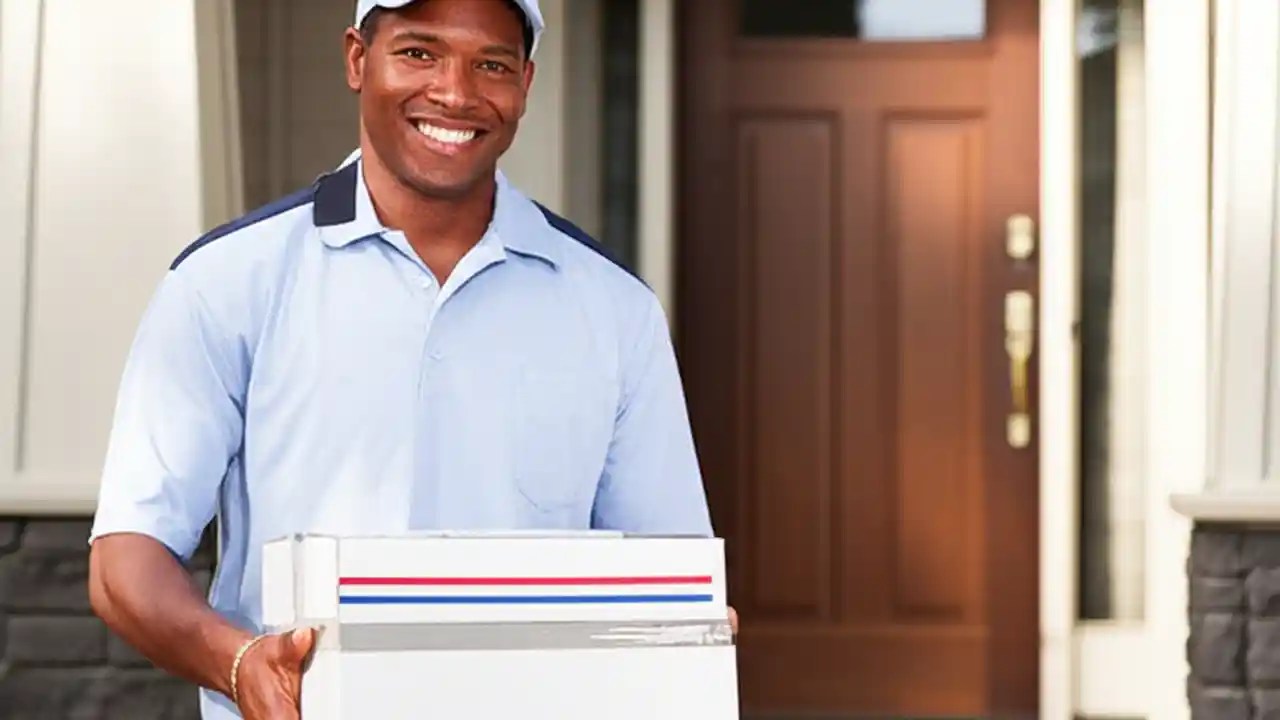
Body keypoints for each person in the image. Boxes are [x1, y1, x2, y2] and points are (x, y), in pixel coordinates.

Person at [86, 1, 733, 718]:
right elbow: (125, 561)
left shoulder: (617, 312)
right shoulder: (226, 283)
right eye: (420, 53)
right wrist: (238, 664)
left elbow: (667, 575)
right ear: (358, 59)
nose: (456, 93)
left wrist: (684, 640)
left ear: (526, 82)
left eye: (490, 63)